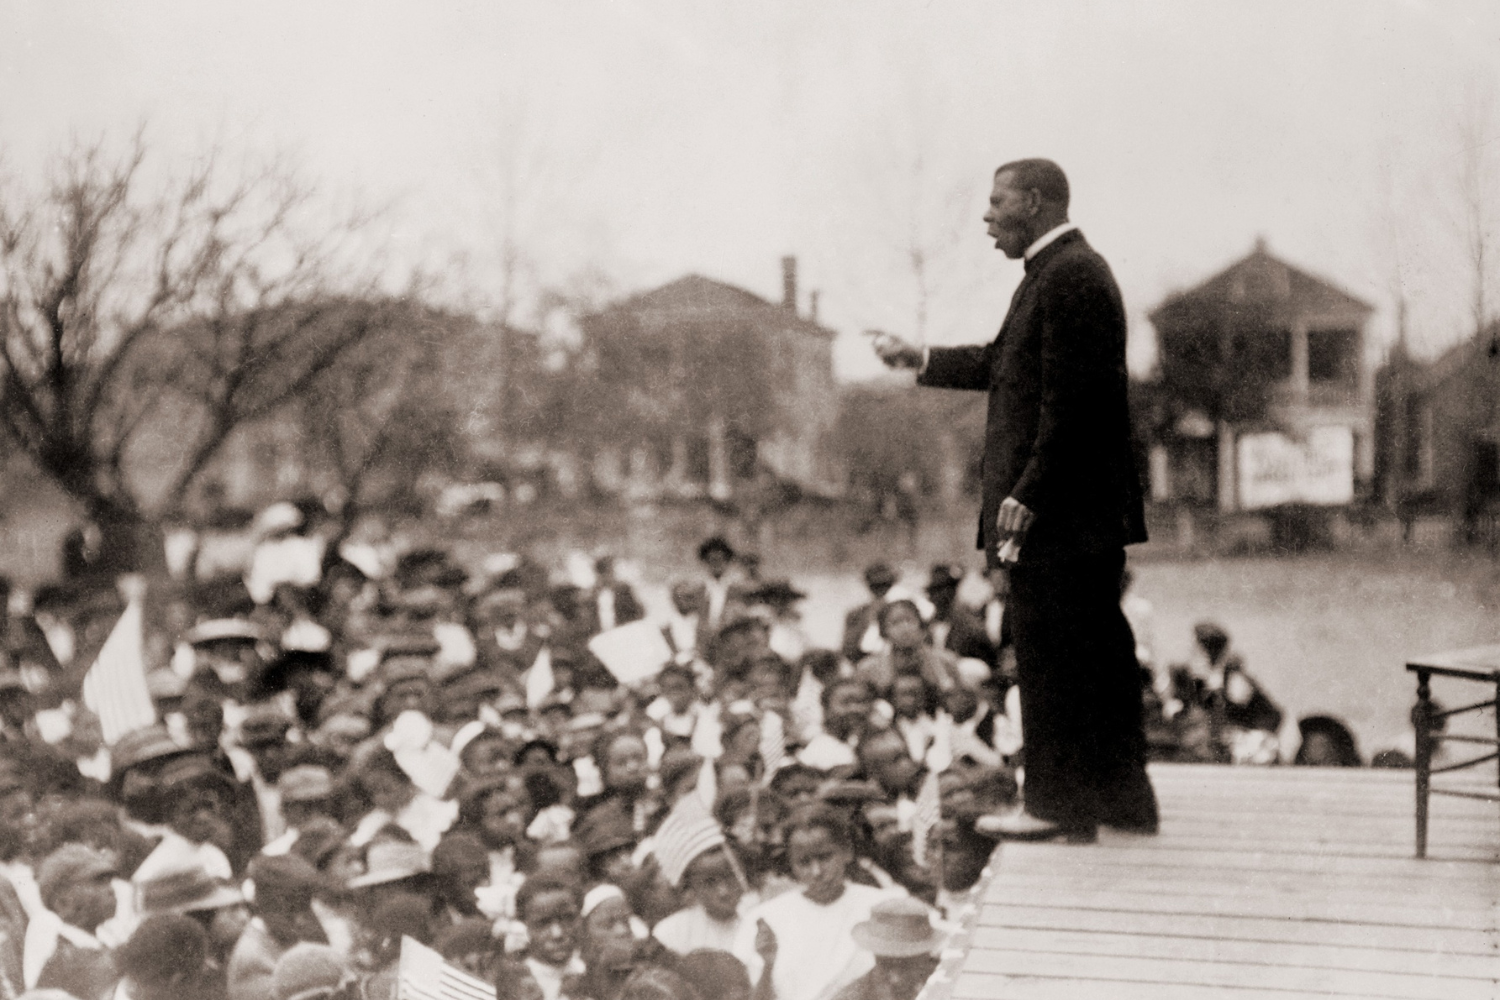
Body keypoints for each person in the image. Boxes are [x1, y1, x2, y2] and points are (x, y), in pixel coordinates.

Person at [876, 157, 1156, 842]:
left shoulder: (1068, 277)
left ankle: (1059, 806)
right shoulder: (1059, 274)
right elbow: (1007, 366)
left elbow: (1074, 404)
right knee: (1093, 653)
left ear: (1033, 202)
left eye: (998, 202)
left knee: (1053, 655)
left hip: (1055, 513)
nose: (987, 216)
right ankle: (1119, 801)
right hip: (1069, 511)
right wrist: (921, 357)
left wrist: (1028, 491)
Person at [733, 804, 905, 1000]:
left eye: (825, 857)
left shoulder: (886, 906)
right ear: (791, 863)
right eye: (804, 862)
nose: (816, 872)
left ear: (847, 851)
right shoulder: (765, 918)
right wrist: (768, 963)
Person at [831, 898, 944, 1000]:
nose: (896, 978)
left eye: (907, 965)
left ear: (926, 954)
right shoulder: (852, 997)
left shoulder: (949, 980)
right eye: (885, 964)